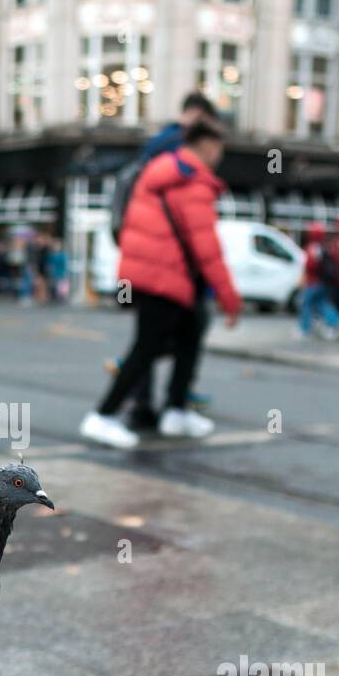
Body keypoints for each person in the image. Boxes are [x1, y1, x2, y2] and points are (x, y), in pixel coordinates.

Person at [81, 122, 242, 449]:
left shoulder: (165, 170)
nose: (220, 155)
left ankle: (176, 410)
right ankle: (103, 416)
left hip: (151, 272)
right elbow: (206, 246)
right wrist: (228, 295)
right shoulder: (189, 179)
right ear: (208, 145)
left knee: (189, 336)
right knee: (147, 346)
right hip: (162, 276)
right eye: (220, 148)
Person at [116, 92, 221, 429]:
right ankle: (170, 402)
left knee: (156, 334)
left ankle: (149, 402)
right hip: (169, 265)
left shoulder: (153, 147)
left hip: (144, 259)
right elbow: (192, 225)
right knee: (183, 329)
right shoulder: (178, 154)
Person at [297, 222, 339, 339]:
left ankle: (305, 329)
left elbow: (309, 265)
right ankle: (335, 321)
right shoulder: (325, 246)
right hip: (324, 282)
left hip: (313, 282)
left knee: (306, 304)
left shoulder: (313, 247)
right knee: (321, 303)